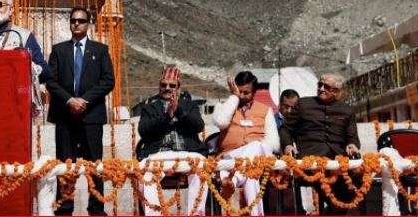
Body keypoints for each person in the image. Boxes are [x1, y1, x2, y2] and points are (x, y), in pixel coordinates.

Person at [46, 7, 115, 216]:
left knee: (95, 165)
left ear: (89, 24)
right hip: (65, 117)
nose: (77, 24)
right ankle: (65, 208)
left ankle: (96, 209)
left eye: (81, 21)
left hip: (91, 116)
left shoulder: (100, 50)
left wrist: (84, 100)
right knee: (66, 165)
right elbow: (50, 80)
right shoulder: (59, 50)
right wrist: (69, 100)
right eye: (73, 20)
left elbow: (108, 80)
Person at [280, 72, 361, 215]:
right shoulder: (304, 104)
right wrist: (288, 145)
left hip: (337, 160)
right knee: (330, 182)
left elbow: (352, 137)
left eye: (326, 86)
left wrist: (352, 145)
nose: (321, 88)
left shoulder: (347, 110)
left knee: (356, 178)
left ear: (336, 91)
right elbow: (285, 129)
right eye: (320, 85)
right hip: (310, 159)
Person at [137, 65, 208, 216]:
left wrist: (179, 111)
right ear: (159, 86)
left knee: (202, 168)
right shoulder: (149, 108)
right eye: (163, 85)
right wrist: (167, 116)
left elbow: (198, 126)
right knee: (144, 173)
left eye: (172, 85)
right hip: (159, 155)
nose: (167, 88)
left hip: (187, 154)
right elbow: (144, 130)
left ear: (179, 87)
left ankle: (196, 214)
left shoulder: (189, 105)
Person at [212, 71, 280, 216]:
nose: (242, 96)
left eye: (246, 93)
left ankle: (234, 180)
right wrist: (233, 98)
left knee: (256, 146)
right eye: (239, 92)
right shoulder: (224, 106)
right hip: (230, 156)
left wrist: (251, 145)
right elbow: (221, 122)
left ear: (254, 92)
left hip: (258, 157)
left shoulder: (265, 110)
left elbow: (273, 144)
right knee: (251, 177)